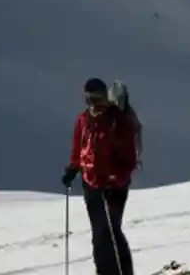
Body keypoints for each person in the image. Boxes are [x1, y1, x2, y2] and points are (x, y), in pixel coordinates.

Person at [62, 78, 137, 275]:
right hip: (92, 184)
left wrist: (115, 179)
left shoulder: (118, 121)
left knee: (110, 231)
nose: (94, 103)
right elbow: (79, 147)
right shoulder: (84, 120)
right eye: (90, 99)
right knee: (99, 233)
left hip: (113, 186)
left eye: (97, 98)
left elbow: (129, 157)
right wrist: (73, 168)